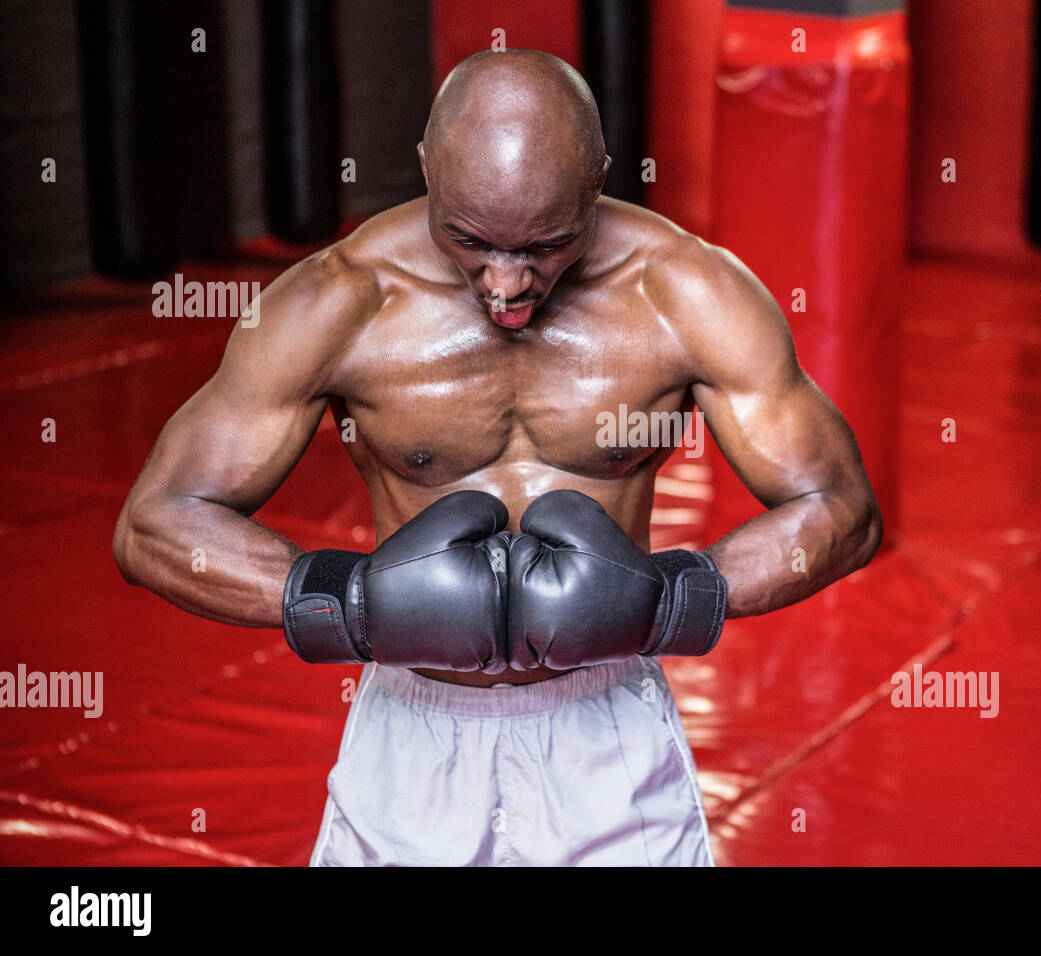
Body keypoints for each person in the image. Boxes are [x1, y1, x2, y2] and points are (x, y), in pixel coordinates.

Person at [112, 49, 882, 866]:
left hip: (605, 728)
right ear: (426, 171)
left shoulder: (688, 294)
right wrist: (350, 604)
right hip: (413, 731)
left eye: (547, 245)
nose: (508, 285)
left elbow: (841, 508)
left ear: (598, 181)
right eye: (470, 240)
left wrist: (671, 600)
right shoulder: (336, 302)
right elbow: (155, 525)